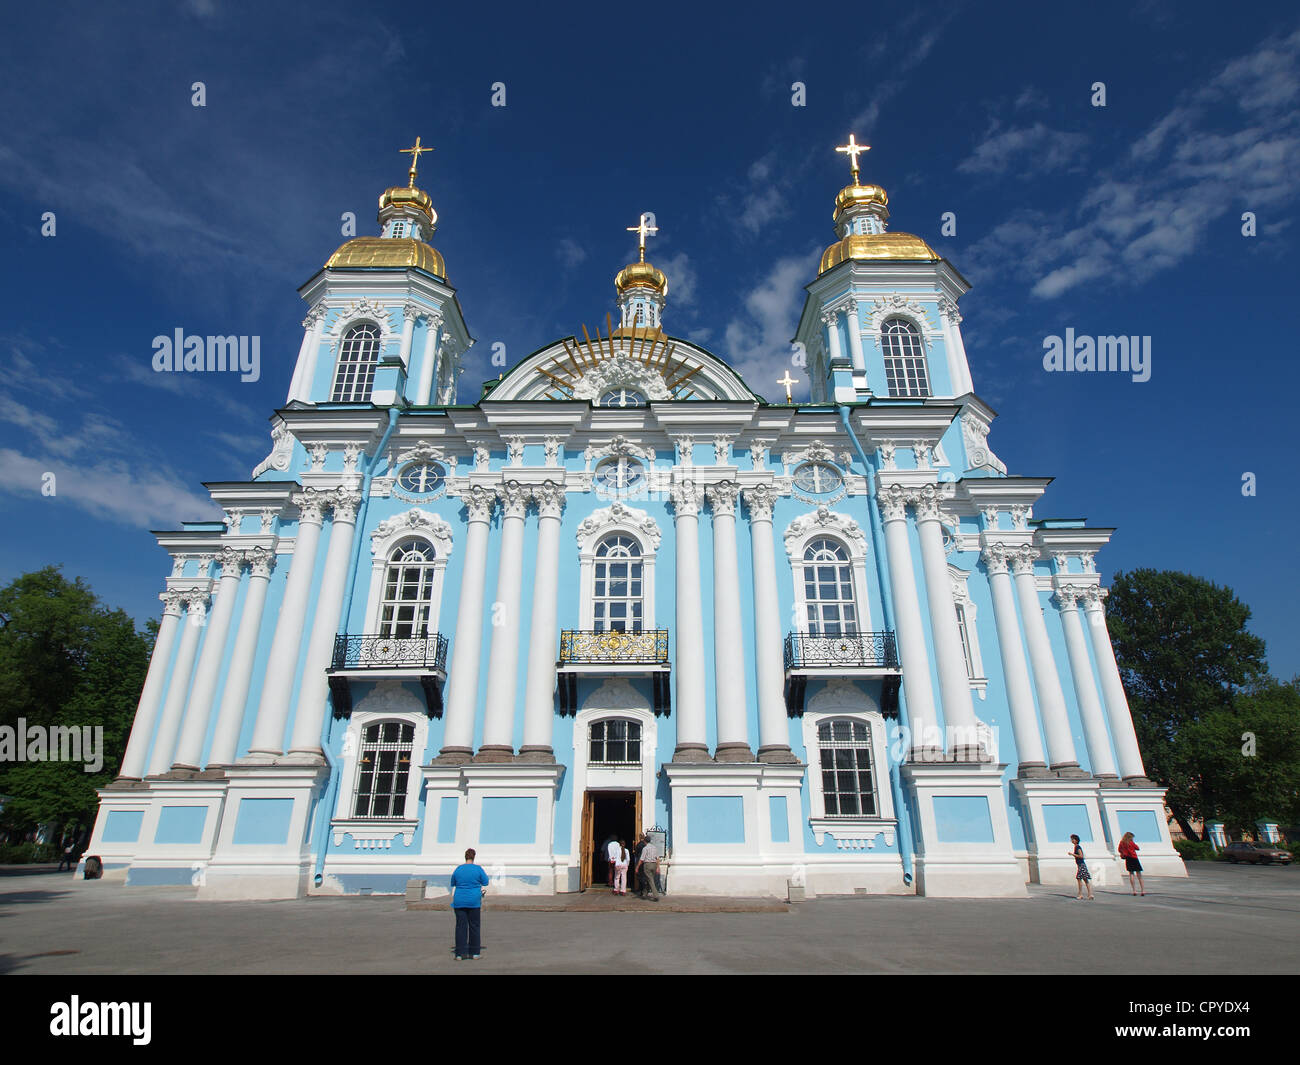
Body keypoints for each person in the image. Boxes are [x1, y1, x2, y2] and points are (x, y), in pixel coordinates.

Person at [449, 848, 490, 960]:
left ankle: (459, 954)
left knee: (460, 927)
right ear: (474, 857)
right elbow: (486, 881)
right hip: (474, 901)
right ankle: (475, 953)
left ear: (465, 857)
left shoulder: (459, 869)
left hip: (459, 901)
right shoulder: (478, 869)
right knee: (474, 927)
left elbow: (452, 882)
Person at [1118, 831, 1146, 896]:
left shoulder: (1122, 843)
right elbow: (1137, 848)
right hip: (1134, 858)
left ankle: (1134, 890)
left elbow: (1119, 850)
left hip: (1128, 859)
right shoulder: (1131, 843)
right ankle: (1142, 890)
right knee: (1139, 875)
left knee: (1131, 874)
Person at [636, 833, 660, 900]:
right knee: (648, 879)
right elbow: (657, 858)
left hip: (647, 865)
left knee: (650, 880)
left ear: (644, 841)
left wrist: (637, 867)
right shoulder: (654, 847)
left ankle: (656, 895)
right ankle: (644, 893)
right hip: (654, 864)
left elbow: (642, 859)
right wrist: (658, 867)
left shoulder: (645, 848)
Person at [1070, 834, 1093, 900]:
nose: (1072, 840)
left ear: (1076, 840)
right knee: (1085, 879)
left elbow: (1081, 856)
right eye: (1071, 839)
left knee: (1079, 879)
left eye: (1073, 839)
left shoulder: (1077, 847)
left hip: (1081, 865)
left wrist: (1072, 854)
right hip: (1081, 865)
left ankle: (1080, 894)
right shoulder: (1076, 847)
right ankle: (1090, 894)